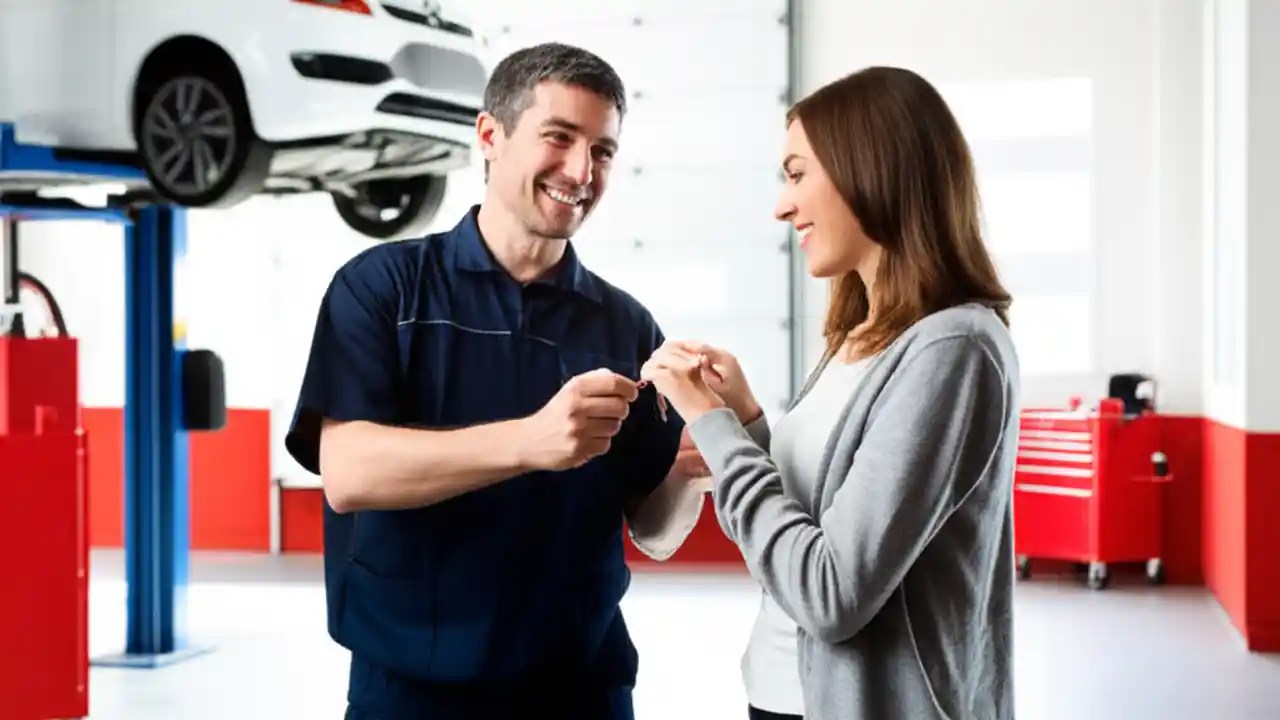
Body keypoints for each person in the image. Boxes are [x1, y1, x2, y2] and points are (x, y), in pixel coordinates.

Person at [285, 42, 711, 719]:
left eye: (601, 151)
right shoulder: (381, 290)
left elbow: (651, 528)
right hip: (411, 693)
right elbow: (349, 473)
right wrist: (530, 442)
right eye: (560, 138)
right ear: (490, 135)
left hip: (580, 693)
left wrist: (695, 467)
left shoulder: (625, 326)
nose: (581, 171)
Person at [640, 66, 1021, 720]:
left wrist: (713, 425)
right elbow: (787, 545)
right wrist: (748, 424)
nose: (782, 206)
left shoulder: (954, 349)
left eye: (796, 175)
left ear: (870, 169)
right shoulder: (862, 334)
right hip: (780, 694)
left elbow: (830, 594)